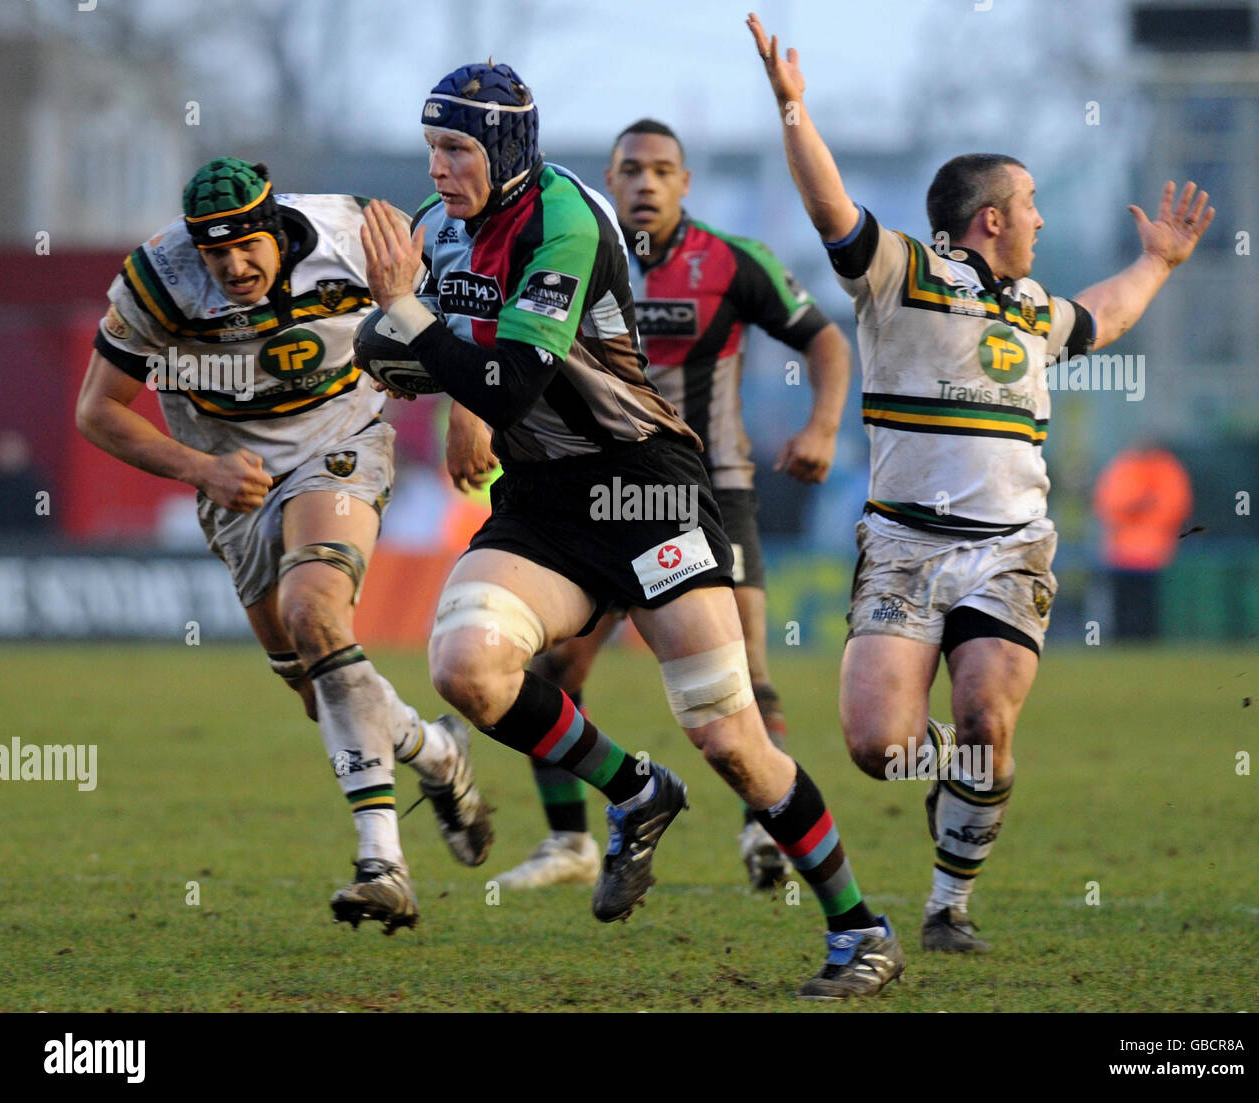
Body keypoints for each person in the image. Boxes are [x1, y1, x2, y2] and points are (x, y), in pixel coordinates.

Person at [357, 60, 902, 999]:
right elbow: (435, 349)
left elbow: (505, 382)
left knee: (731, 739)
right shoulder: (431, 232)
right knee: (467, 667)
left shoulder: (564, 222)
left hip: (645, 488)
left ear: (507, 147)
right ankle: (635, 791)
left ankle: (862, 929)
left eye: (457, 149)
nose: (440, 169)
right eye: (432, 148)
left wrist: (407, 322)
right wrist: (395, 347)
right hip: (542, 501)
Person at [748, 12, 1214, 953]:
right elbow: (832, 208)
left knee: (984, 714)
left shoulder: (1036, 308)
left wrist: (1158, 261)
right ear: (989, 216)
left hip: (1010, 546)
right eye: (1030, 201)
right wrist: (796, 112)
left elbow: (1105, 318)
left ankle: (946, 905)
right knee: (879, 744)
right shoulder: (901, 274)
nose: (1042, 217)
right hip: (904, 545)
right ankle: (957, 781)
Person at [75, 158, 493, 935]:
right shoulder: (158, 281)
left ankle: (382, 863)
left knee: (315, 610)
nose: (233, 267)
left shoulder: (356, 231)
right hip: (232, 474)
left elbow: (460, 304)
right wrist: (203, 469)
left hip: (342, 442)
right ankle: (434, 751)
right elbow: (98, 411)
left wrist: (470, 408)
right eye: (215, 254)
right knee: (317, 690)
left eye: (247, 248)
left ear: (276, 225)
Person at [493, 118, 852, 893]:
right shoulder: (568, 251)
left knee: (743, 674)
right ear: (609, 180)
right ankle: (570, 840)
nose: (646, 183)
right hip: (595, 493)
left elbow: (825, 339)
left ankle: (765, 824)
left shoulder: (731, 261)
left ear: (686, 184)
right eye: (630, 170)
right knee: (555, 666)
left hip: (710, 489)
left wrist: (822, 424)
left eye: (662, 170)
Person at [1093, 442, 1193, 639]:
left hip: (1153, 554)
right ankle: (1122, 640)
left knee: (1148, 604)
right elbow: (1109, 504)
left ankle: (1147, 640)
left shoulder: (1165, 468)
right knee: (1123, 603)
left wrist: (1139, 509)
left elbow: (1175, 505)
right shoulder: (1124, 466)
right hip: (1121, 553)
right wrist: (1136, 505)